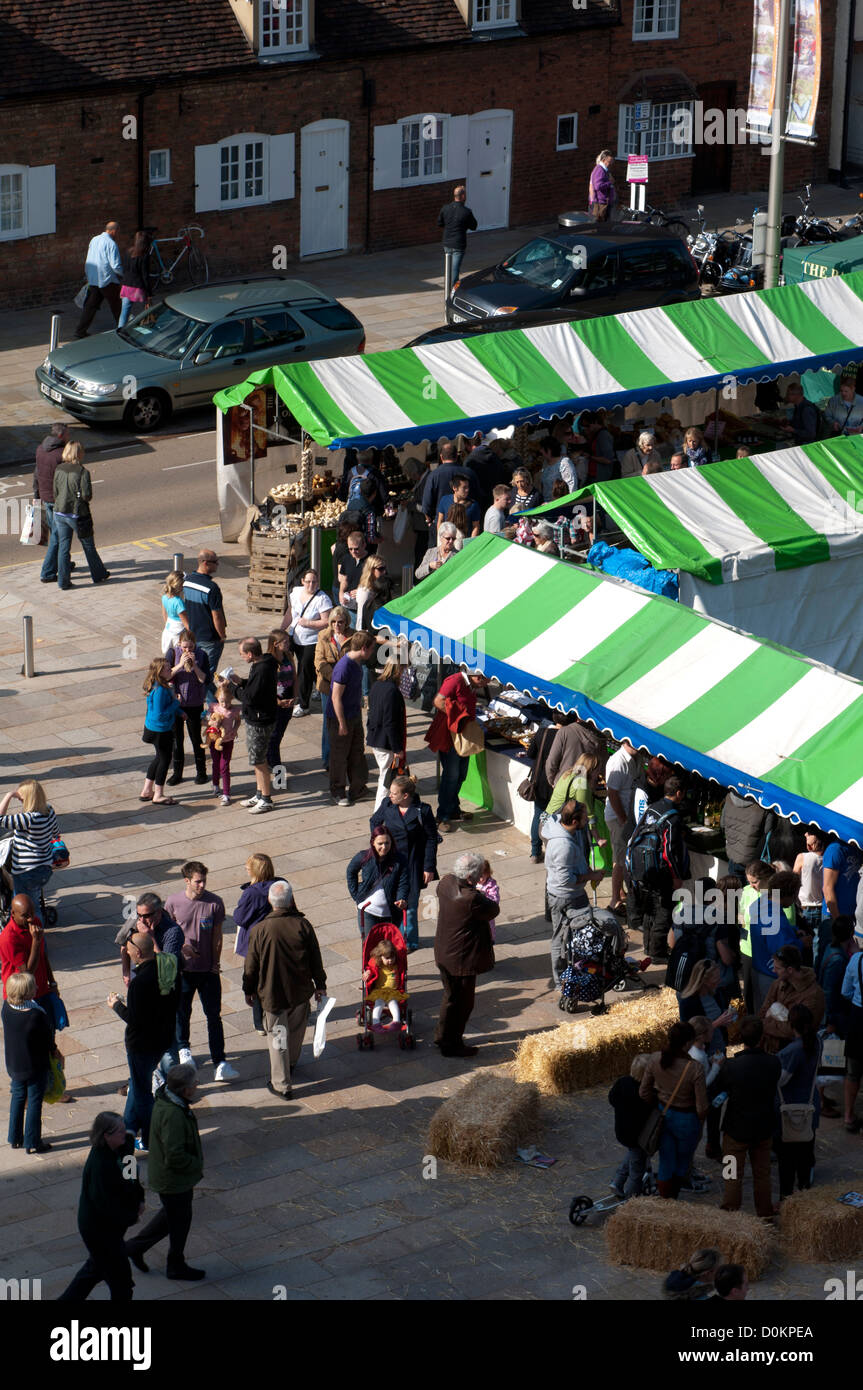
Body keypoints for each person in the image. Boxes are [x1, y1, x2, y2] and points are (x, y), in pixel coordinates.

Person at [241, 880, 326, 1099]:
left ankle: (282, 1084)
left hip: (273, 996)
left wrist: (248, 989)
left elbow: (251, 966)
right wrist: (320, 985)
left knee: (278, 1038)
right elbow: (316, 958)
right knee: (296, 1033)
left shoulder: (259, 930)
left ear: (270, 901)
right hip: (299, 993)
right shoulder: (302, 925)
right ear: (290, 901)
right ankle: (291, 1064)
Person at [124, 1063, 205, 1281]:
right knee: (179, 1222)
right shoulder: (174, 1114)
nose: (197, 1086)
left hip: (169, 1177)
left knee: (171, 1217)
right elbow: (175, 1154)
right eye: (194, 1084)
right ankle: (175, 1264)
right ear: (186, 1090)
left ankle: (135, 1248)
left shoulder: (167, 1101)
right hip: (174, 1180)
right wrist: (195, 1164)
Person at [58, 1113, 145, 1302]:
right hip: (99, 1230)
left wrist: (139, 1198)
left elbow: (131, 1177)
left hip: (109, 1227)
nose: (125, 1133)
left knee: (94, 1270)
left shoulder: (124, 1148)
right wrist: (132, 1216)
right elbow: (107, 1205)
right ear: (106, 1135)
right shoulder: (100, 1166)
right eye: (120, 1131)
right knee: (121, 1283)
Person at [165, 861, 237, 1082]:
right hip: (184, 971)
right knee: (182, 1013)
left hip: (207, 971)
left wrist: (216, 962)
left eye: (204, 880)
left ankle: (220, 1061)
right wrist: (180, 947)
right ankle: (184, 1051)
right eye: (197, 881)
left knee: (214, 1016)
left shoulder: (215, 903)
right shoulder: (173, 903)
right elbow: (166, 934)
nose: (202, 885)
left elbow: (217, 935)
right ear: (186, 881)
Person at [108, 933, 180, 1152]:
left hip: (141, 1045)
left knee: (142, 1094)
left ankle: (149, 1139)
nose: (126, 951)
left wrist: (116, 1005)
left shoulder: (141, 982)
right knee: (138, 1086)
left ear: (138, 952)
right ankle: (129, 1126)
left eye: (128, 948)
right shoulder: (168, 970)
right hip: (162, 1039)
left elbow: (135, 1020)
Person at [715, 1015, 781, 1219]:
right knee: (762, 1174)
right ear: (762, 1037)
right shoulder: (773, 1063)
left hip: (736, 1129)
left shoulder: (731, 1066)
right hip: (762, 1128)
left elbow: (721, 1087)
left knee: (731, 1173)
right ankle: (764, 1212)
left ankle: (730, 1212)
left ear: (741, 1038)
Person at [434, 852, 498, 1059]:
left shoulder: (445, 882)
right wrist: (482, 893)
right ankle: (452, 1044)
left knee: (450, 997)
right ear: (470, 877)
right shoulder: (471, 898)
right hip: (462, 958)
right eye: (479, 874)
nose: (481, 877)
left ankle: (441, 1036)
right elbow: (493, 910)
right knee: (463, 1003)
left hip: (444, 952)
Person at [639, 1022, 708, 1200]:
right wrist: (701, 1119)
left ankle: (665, 1199)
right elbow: (702, 1107)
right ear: (687, 1044)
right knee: (683, 1162)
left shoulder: (655, 1059)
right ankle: (674, 1196)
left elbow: (644, 1092)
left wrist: (657, 1105)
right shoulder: (695, 1069)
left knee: (666, 1161)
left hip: (663, 1114)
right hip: (687, 1120)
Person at [370, 774, 438, 952]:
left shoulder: (422, 811)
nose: (390, 795)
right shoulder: (387, 805)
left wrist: (428, 867)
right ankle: (392, 936)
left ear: (405, 795)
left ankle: (408, 942)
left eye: (394, 793)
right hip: (390, 864)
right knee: (389, 903)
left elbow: (431, 838)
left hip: (412, 866)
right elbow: (374, 822)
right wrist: (380, 842)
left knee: (409, 905)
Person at [626, 777, 689, 963]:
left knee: (649, 909)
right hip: (661, 872)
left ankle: (648, 947)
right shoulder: (673, 818)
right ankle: (658, 952)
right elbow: (669, 851)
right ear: (679, 793)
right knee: (664, 911)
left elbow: (636, 833)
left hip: (644, 868)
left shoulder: (652, 807)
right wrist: (676, 876)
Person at [542, 801, 601, 986]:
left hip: (571, 894)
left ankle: (580, 972)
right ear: (575, 821)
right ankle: (562, 982)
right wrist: (591, 875)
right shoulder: (563, 846)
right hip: (565, 897)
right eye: (584, 818)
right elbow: (565, 879)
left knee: (578, 936)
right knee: (560, 939)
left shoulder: (562, 828)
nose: (587, 820)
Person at [426, 666, 487, 832]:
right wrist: (456, 717)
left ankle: (453, 808)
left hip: (463, 737)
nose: (486, 683)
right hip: (451, 736)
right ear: (477, 676)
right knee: (451, 776)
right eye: (485, 679)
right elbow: (438, 701)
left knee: (461, 774)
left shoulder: (470, 686)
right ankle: (442, 815)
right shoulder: (455, 680)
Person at [3, 970, 53, 1154]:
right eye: (33, 987)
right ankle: (32, 1141)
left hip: (14, 1064)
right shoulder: (35, 1014)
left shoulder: (6, 1008)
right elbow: (47, 1040)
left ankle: (14, 1137)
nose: (37, 987)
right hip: (34, 1066)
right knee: (34, 1101)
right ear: (27, 992)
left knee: (17, 1097)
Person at [775, 1002, 821, 1199]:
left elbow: (781, 1079)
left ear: (791, 1025)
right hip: (810, 1106)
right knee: (806, 1152)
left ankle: (787, 1197)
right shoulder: (817, 1041)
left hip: (790, 1110)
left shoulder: (793, 1051)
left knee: (787, 1160)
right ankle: (804, 1191)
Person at [230, 636, 279, 814]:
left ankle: (266, 799)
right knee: (257, 758)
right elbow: (256, 688)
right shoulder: (263, 663)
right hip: (260, 717)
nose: (241, 657)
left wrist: (231, 688)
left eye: (242, 654)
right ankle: (259, 794)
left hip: (259, 720)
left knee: (259, 761)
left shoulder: (262, 669)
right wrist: (241, 682)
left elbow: (249, 697)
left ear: (250, 654)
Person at [52, 441, 110, 589]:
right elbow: (87, 495)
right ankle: (98, 574)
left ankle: (63, 582)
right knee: (88, 546)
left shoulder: (58, 469)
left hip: (59, 512)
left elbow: (55, 492)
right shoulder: (83, 472)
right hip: (77, 515)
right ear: (79, 453)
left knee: (63, 548)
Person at [326, 630, 374, 806]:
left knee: (357, 753)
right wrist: (341, 723)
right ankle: (338, 791)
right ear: (364, 648)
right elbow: (335, 697)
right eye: (371, 649)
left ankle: (358, 788)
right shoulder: (343, 667)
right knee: (339, 756)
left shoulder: (357, 663)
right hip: (340, 719)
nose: (372, 653)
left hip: (353, 715)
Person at [232, 853, 277, 1034]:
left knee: (255, 980)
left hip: (255, 942)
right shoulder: (279, 885)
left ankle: (259, 1022)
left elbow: (239, 918)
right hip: (275, 939)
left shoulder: (252, 893)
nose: (246, 868)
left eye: (248, 866)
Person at [0, 779, 60, 901]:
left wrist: (9, 795)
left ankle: (36, 919)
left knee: (25, 906)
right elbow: (56, 833)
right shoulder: (49, 810)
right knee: (33, 898)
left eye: (21, 798)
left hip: (26, 870)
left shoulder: (27, 819)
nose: (20, 800)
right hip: (45, 867)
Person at [759, 944, 824, 1054]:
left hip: (795, 1054)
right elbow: (762, 1012)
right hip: (771, 1050)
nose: (774, 971)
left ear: (790, 970)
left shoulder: (813, 995)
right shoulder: (778, 984)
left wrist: (765, 1023)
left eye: (778, 968)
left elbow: (796, 1030)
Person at [285, 568, 332, 716]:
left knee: (304, 670)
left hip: (311, 641)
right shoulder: (296, 592)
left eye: (314, 582)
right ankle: (317, 688)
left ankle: (303, 705)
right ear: (302, 581)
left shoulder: (322, 599)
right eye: (308, 581)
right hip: (294, 636)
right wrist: (281, 630)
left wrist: (309, 623)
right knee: (291, 665)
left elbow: (326, 622)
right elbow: (289, 612)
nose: (311, 585)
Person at [603, 739, 642, 914]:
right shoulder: (618, 761)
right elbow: (612, 793)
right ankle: (614, 901)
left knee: (621, 856)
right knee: (620, 859)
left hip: (627, 815)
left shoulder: (636, 758)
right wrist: (623, 818)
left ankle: (619, 892)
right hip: (618, 817)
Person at [167, 630, 210, 786]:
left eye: (190, 647)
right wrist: (179, 665)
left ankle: (202, 772)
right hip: (176, 704)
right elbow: (165, 676)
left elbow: (204, 679)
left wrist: (195, 667)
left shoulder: (202, 655)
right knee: (177, 739)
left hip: (194, 702)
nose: (187, 651)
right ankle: (177, 773)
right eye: (184, 647)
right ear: (179, 644)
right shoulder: (172, 653)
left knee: (195, 737)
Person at [608, 1052, 653, 1199]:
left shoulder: (622, 1082)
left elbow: (611, 1099)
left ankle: (617, 1181)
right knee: (637, 1170)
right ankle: (631, 1199)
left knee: (632, 1154)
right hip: (638, 1137)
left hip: (622, 1131)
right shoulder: (645, 1092)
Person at [182, 550, 226, 698]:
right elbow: (217, 615)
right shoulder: (211, 587)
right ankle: (215, 705)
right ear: (205, 563)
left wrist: (189, 627)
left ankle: (215, 702)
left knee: (200, 671)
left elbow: (184, 608)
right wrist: (222, 635)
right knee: (206, 675)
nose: (218, 564)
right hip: (209, 638)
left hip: (195, 635)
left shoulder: (187, 581)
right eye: (215, 562)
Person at [346, 828, 409, 932]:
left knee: (388, 946)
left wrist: (401, 898)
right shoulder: (364, 856)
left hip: (391, 912)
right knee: (370, 946)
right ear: (373, 843)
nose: (384, 847)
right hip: (368, 911)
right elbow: (351, 871)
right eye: (380, 843)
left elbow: (404, 882)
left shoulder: (400, 860)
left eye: (387, 843)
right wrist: (356, 894)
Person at [365, 658, 407, 811]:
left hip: (376, 738)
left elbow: (371, 713)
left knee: (386, 778)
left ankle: (382, 813)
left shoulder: (377, 685)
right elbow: (390, 722)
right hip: (385, 742)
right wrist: (397, 749)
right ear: (399, 670)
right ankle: (379, 814)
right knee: (386, 781)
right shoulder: (392, 690)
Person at [139, 657, 180, 806]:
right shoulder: (161, 690)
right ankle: (158, 794)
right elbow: (160, 714)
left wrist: (179, 710)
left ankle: (146, 791)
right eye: (168, 668)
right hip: (160, 731)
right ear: (160, 671)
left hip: (152, 728)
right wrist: (176, 703)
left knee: (158, 757)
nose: (171, 669)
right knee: (164, 760)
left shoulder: (157, 685)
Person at [315, 606, 352, 771]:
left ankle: (346, 755)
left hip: (348, 687)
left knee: (348, 720)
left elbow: (368, 642)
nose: (337, 625)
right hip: (328, 686)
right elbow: (319, 662)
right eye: (334, 622)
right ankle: (328, 759)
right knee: (329, 722)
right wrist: (336, 678)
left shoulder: (353, 636)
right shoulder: (323, 636)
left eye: (340, 622)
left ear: (346, 622)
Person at [525, 715, 565, 864]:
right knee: (556, 818)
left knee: (539, 815)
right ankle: (553, 854)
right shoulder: (565, 736)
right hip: (557, 782)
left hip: (539, 781)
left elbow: (530, 754)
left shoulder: (543, 732)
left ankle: (535, 852)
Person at [35, 422, 71, 585]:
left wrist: (36, 496)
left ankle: (65, 563)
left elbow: (36, 474)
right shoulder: (61, 455)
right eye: (68, 434)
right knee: (58, 536)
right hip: (57, 501)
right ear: (61, 436)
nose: (69, 437)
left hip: (45, 497)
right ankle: (47, 572)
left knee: (56, 532)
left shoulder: (40, 449)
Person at [74, 220, 123, 337]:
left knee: (90, 306)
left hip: (93, 279)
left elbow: (89, 258)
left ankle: (80, 331)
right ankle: (123, 329)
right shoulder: (111, 244)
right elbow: (116, 265)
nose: (118, 235)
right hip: (107, 280)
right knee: (117, 306)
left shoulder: (94, 239)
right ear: (114, 231)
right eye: (118, 232)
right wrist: (123, 276)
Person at [820, 838, 861, 970]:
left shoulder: (857, 847)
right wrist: (837, 920)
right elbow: (827, 888)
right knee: (829, 961)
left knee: (842, 962)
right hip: (834, 917)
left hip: (849, 917)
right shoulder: (835, 849)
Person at [721, 790, 773, 880]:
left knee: (733, 891)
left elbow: (722, 824)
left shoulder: (729, 796)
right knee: (751, 892)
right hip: (753, 861)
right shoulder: (764, 804)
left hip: (732, 856)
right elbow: (768, 831)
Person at [545, 714, 607, 789]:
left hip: (562, 784)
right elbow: (603, 769)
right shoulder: (601, 742)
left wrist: (553, 782)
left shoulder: (565, 731)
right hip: (583, 790)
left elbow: (552, 761)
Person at [205, 678, 241, 806]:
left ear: (231, 699)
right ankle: (215, 785)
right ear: (217, 699)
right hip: (214, 740)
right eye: (221, 701)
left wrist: (235, 730)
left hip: (227, 741)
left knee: (224, 766)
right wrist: (211, 722)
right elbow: (207, 719)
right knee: (215, 763)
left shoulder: (234, 711)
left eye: (226, 701)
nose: (224, 704)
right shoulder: (213, 707)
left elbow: (238, 721)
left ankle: (226, 793)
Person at [265, 629, 295, 772]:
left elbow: (295, 677)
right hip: (273, 702)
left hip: (288, 700)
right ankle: (278, 775)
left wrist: (295, 697)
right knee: (274, 737)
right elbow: (266, 686)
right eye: (286, 642)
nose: (289, 644)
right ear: (276, 644)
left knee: (278, 735)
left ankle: (268, 760)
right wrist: (278, 702)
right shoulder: (268, 661)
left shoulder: (288, 655)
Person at [841, 941, 863, 1131]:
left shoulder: (856, 960)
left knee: (853, 1071)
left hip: (858, 1018)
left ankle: (848, 1115)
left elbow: (845, 991)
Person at [363, 939, 407, 1028]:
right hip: (380, 991)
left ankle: (396, 1022)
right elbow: (371, 968)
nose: (390, 960)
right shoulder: (377, 965)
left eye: (392, 957)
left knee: (393, 1003)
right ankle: (376, 1023)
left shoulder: (397, 964)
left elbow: (402, 962)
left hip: (393, 991)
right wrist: (367, 972)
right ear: (380, 957)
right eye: (387, 958)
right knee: (379, 1004)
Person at [438, 185, 477, 284]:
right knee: (454, 270)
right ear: (463, 196)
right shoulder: (466, 212)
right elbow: (474, 226)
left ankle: (449, 287)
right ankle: (452, 291)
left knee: (449, 268)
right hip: (458, 244)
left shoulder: (445, 208)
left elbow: (440, 223)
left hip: (447, 243)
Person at [794, 827, 825, 942]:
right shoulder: (828, 858)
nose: (806, 834)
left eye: (810, 833)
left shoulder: (802, 857)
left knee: (804, 941)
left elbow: (793, 881)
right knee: (819, 942)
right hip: (823, 909)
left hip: (805, 908)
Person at [118, 229, 152, 327]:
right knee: (144, 311)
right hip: (138, 287)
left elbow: (125, 269)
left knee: (124, 313)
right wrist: (149, 294)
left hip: (126, 286)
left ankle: (119, 330)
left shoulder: (129, 252)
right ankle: (143, 328)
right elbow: (145, 276)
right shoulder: (145, 256)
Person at [436, 472, 481, 539]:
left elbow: (476, 526)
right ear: (454, 488)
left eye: (468, 487)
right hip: (447, 540)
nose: (467, 490)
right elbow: (440, 521)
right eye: (464, 487)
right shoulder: (444, 500)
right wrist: (441, 539)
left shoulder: (473, 505)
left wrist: (471, 543)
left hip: (464, 542)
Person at [337, 532, 368, 615]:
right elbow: (344, 579)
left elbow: (377, 583)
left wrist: (361, 591)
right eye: (350, 549)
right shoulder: (346, 559)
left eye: (356, 549)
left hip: (365, 605)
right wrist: (341, 593)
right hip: (349, 605)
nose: (353, 551)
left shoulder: (371, 561)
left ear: (364, 545)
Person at [823, 369, 863, 435]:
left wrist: (861, 427)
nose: (843, 393)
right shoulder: (833, 401)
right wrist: (833, 423)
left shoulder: (861, 401)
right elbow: (827, 416)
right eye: (841, 391)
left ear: (853, 389)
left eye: (846, 391)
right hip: (839, 436)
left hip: (857, 437)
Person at [538, 436, 578, 501]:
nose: (540, 451)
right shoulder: (545, 463)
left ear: (549, 450)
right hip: (546, 504)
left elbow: (572, 486)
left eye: (542, 448)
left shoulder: (565, 462)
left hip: (560, 504)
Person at [160, 570, 190, 654]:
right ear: (180, 586)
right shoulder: (179, 602)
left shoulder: (165, 597)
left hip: (168, 629)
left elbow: (164, 614)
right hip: (178, 632)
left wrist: (168, 625)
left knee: (168, 655)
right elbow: (186, 624)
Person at [588, 150, 616, 222]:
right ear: (604, 160)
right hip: (600, 204)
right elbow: (598, 186)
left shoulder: (603, 170)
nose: (611, 164)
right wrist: (609, 183)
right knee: (600, 226)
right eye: (609, 162)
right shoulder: (600, 170)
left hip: (603, 203)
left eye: (612, 161)